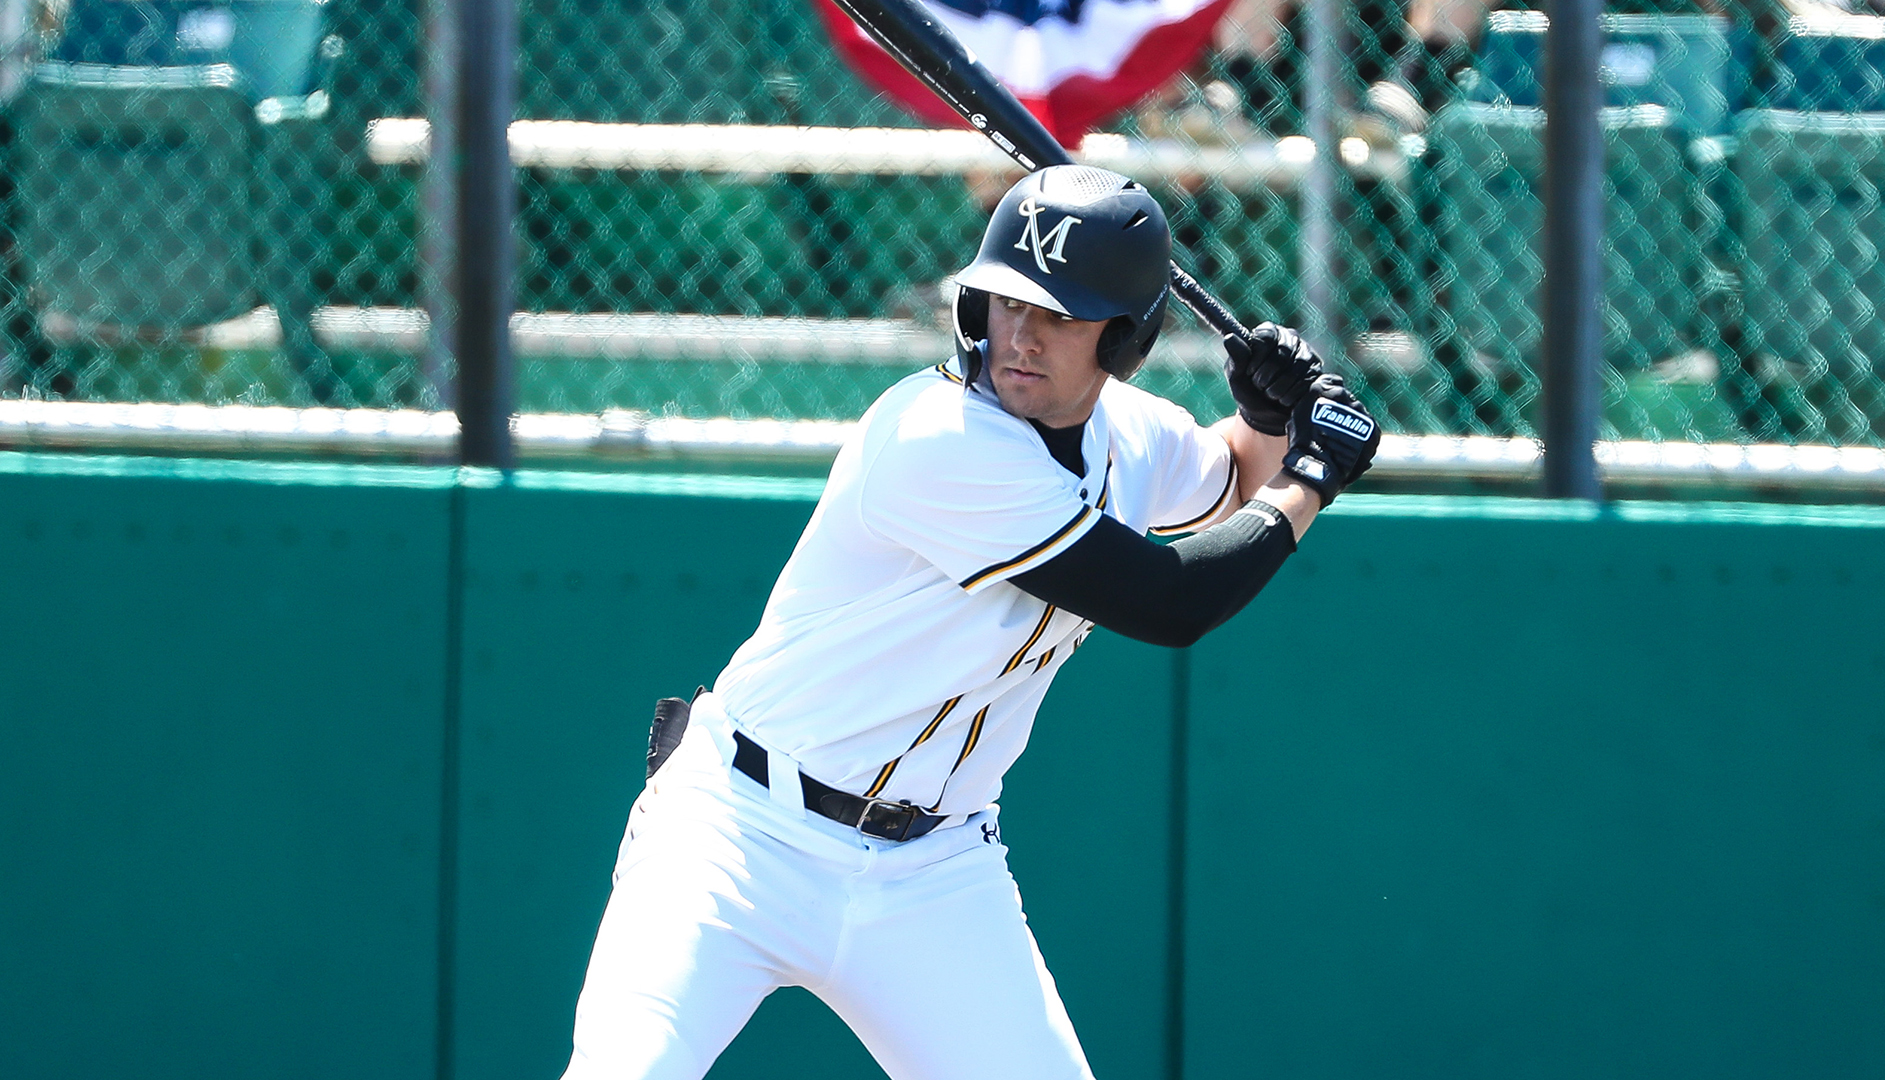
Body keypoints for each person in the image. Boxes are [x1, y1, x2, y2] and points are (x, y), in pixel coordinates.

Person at [560, 164, 1381, 1080]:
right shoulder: (937, 434)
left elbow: (1229, 479)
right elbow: (1169, 601)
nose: (1021, 338)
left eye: (1060, 315)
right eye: (1004, 303)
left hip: (933, 867)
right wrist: (1313, 474)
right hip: (741, 833)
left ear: (1124, 339)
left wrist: (1265, 421)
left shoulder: (1131, 434)